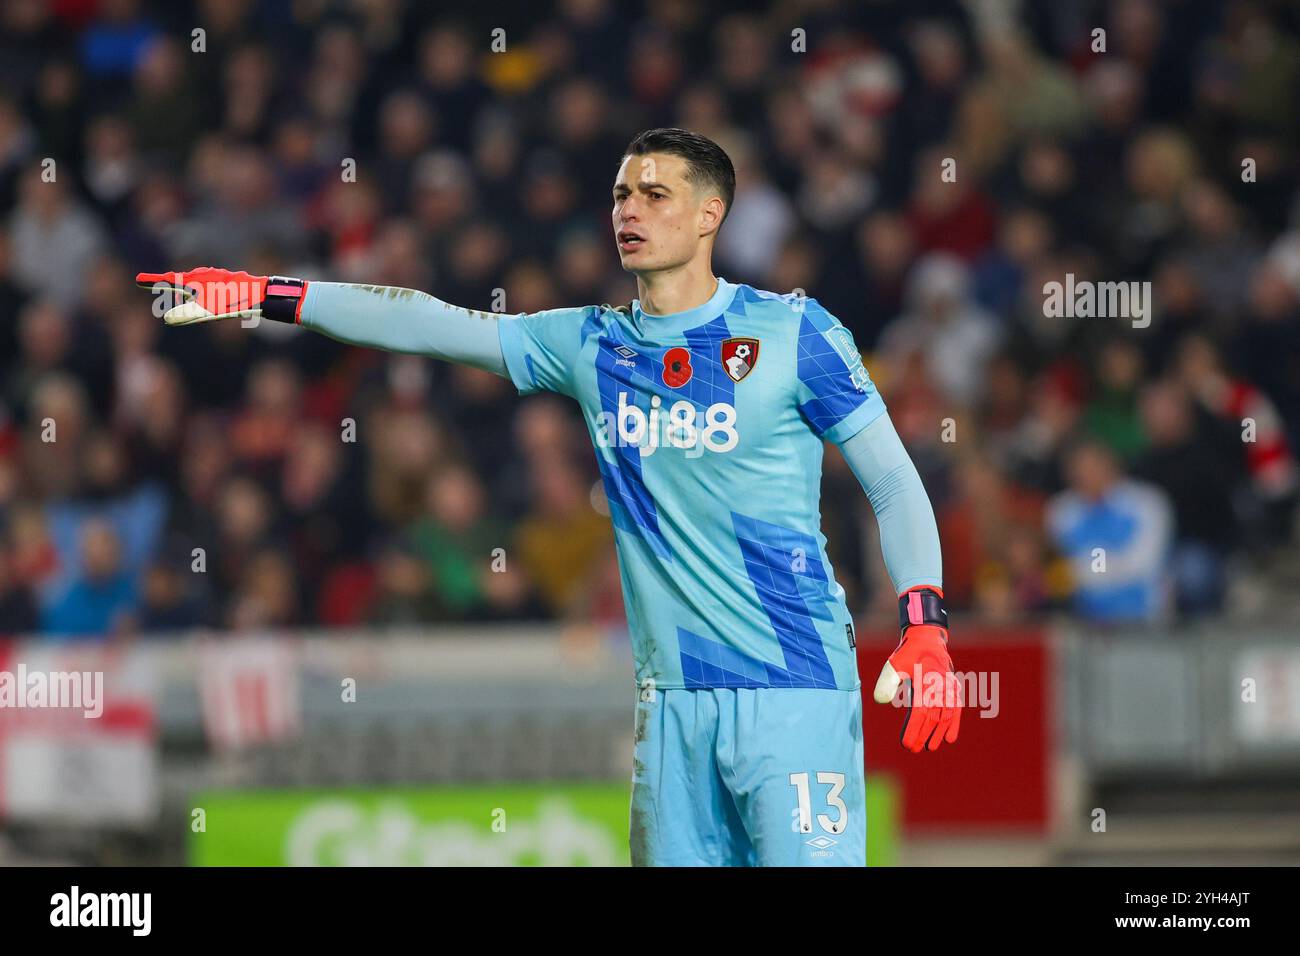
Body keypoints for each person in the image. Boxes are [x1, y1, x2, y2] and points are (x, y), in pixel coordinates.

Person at [136, 128, 959, 867]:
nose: (627, 210)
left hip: (794, 688)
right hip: (669, 709)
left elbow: (891, 478)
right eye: (620, 195)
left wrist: (924, 624)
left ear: (710, 215)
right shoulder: (590, 343)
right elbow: (428, 323)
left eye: (653, 194)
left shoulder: (793, 332)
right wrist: (264, 294)